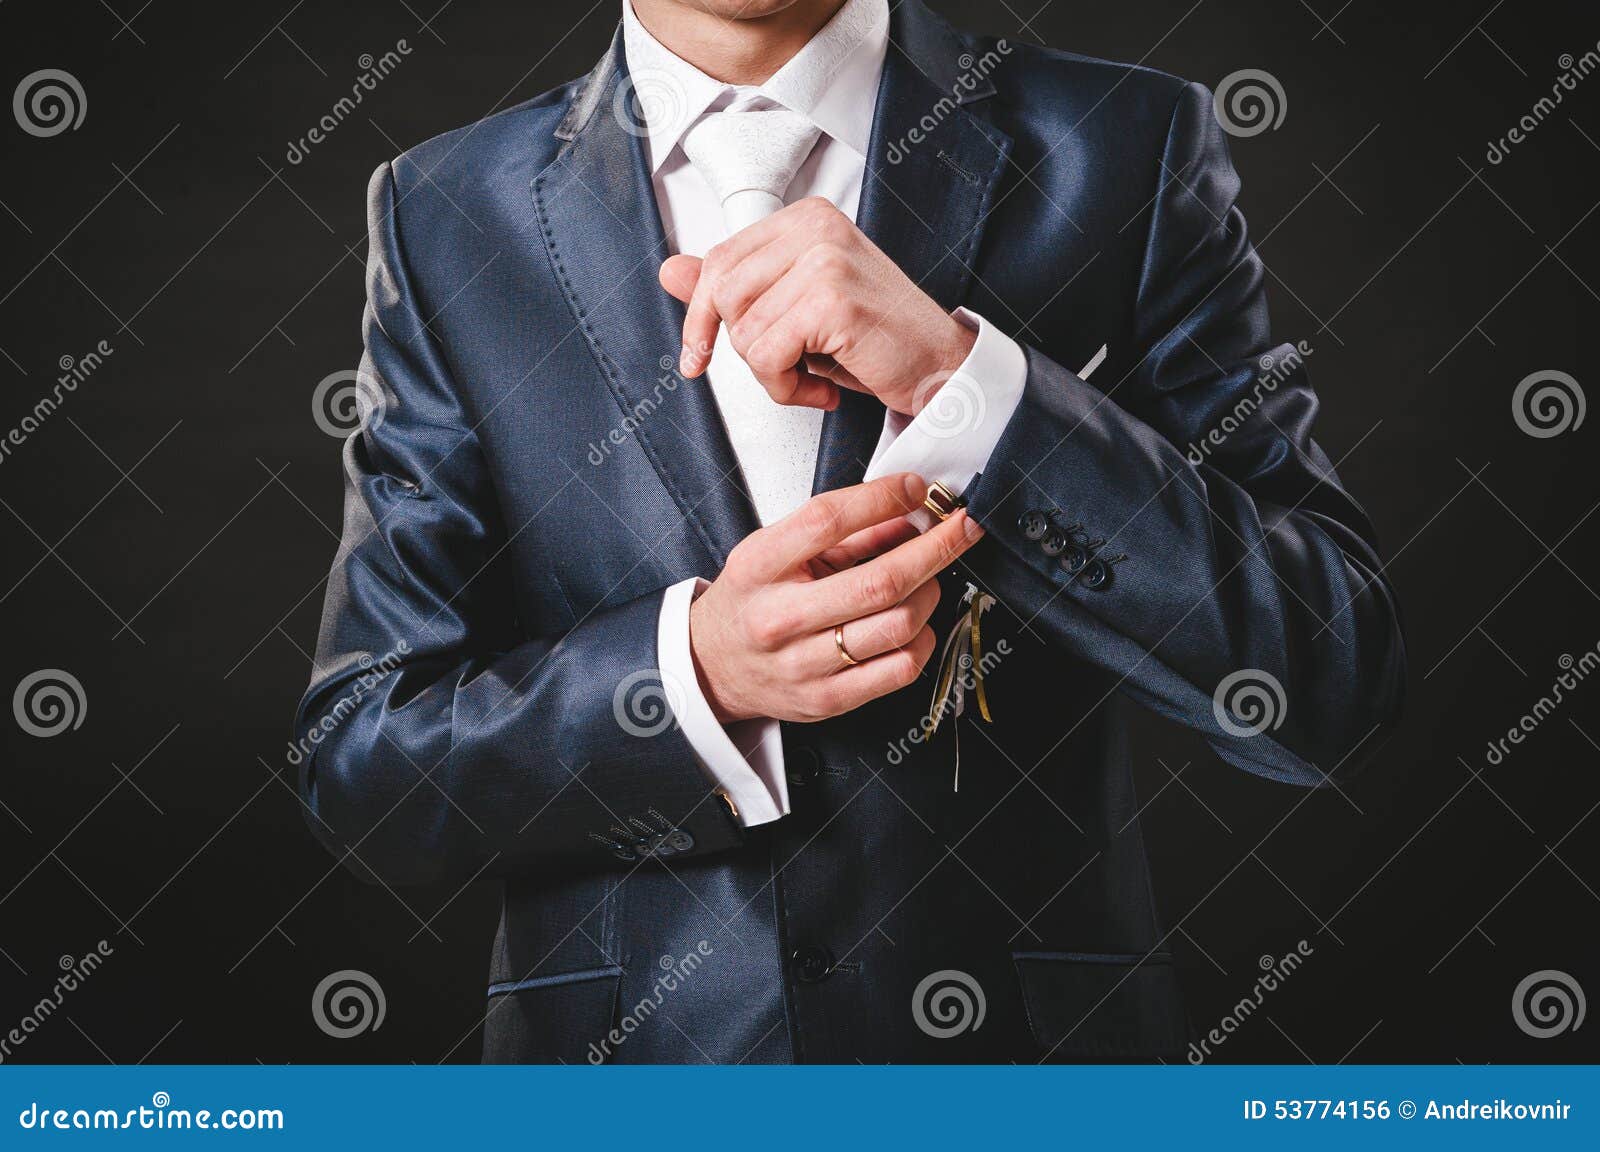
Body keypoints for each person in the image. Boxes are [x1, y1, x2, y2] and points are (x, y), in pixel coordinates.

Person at [295, 0, 1405, 1062]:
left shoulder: (1127, 141)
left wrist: (964, 383)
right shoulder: (444, 209)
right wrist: (693, 676)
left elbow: (1326, 675)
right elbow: (364, 762)